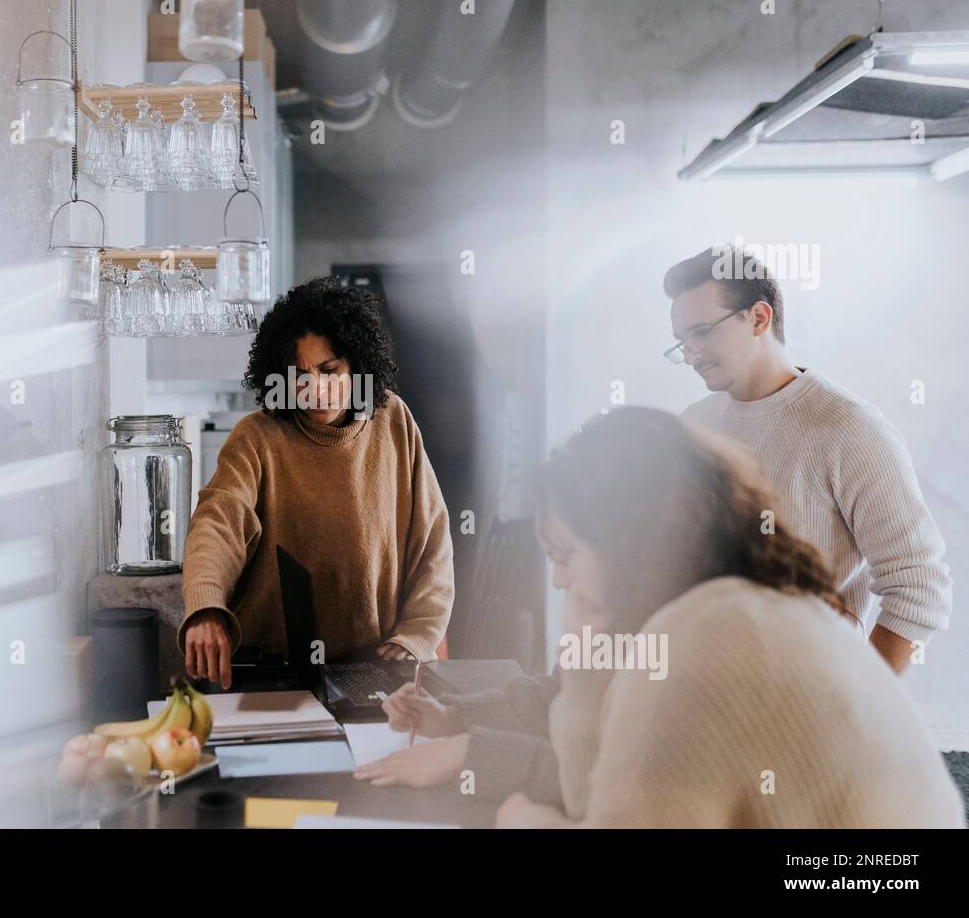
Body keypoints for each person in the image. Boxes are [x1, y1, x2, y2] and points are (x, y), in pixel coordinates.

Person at [363, 408, 964, 828]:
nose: (559, 581)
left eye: (566, 556)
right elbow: (600, 768)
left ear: (632, 547)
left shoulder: (707, 636)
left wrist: (526, 818)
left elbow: (607, 803)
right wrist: (462, 719)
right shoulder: (736, 598)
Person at [662, 244, 951, 673]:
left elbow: (919, 586)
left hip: (803, 694)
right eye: (682, 341)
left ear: (758, 318)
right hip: (701, 688)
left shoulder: (849, 429)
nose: (690, 353)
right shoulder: (692, 427)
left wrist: (858, 698)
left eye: (702, 332)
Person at [180, 278, 454, 689]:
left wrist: (417, 636)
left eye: (329, 370)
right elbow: (217, 524)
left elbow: (432, 543)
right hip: (275, 672)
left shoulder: (394, 421)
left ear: (357, 364)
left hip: (372, 669)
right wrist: (205, 607)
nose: (315, 390)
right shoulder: (256, 437)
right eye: (299, 375)